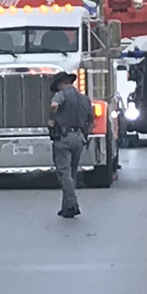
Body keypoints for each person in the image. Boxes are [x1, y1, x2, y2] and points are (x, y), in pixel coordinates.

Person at [48, 71, 92, 218]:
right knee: (71, 173)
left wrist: (52, 120)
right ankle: (65, 207)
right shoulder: (84, 99)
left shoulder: (62, 94)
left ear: (61, 84)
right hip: (79, 137)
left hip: (64, 137)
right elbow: (90, 120)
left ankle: (73, 205)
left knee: (64, 173)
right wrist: (85, 136)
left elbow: (54, 106)